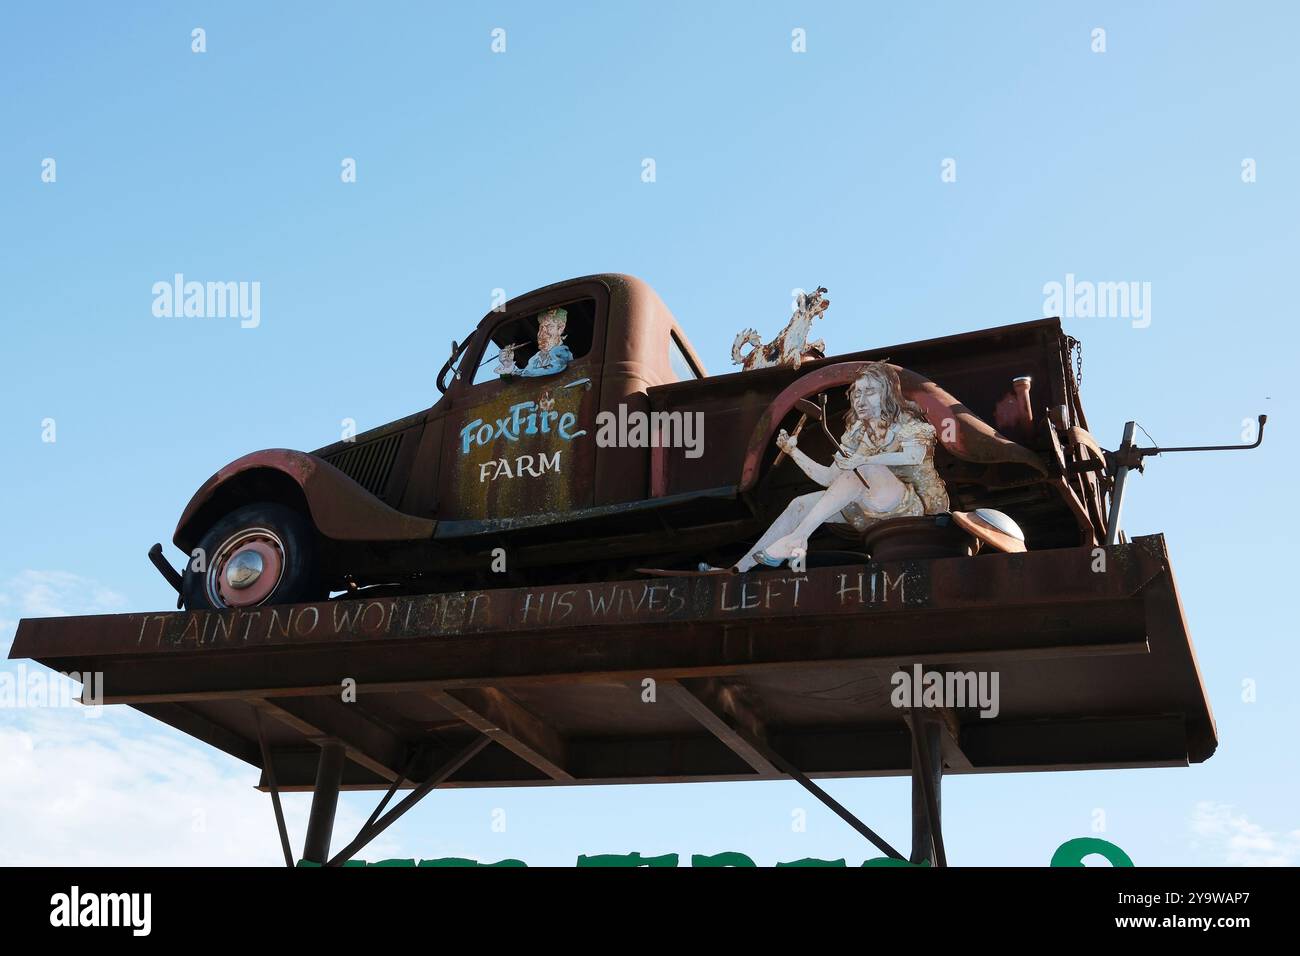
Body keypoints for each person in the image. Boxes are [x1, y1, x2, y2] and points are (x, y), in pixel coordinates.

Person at [733, 361, 949, 571]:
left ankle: (798, 538)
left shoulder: (907, 421)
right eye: (857, 393)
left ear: (886, 393)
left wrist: (864, 460)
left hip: (913, 508)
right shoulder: (857, 432)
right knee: (800, 504)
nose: (861, 400)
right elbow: (829, 479)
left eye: (870, 392)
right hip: (869, 511)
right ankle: (740, 569)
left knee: (861, 470)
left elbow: (914, 456)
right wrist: (794, 452)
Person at [513, 307, 574, 378]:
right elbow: (526, 373)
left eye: (549, 326)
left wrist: (526, 372)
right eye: (541, 327)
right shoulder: (537, 357)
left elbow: (556, 367)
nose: (542, 333)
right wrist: (508, 365)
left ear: (560, 329)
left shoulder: (561, 351)